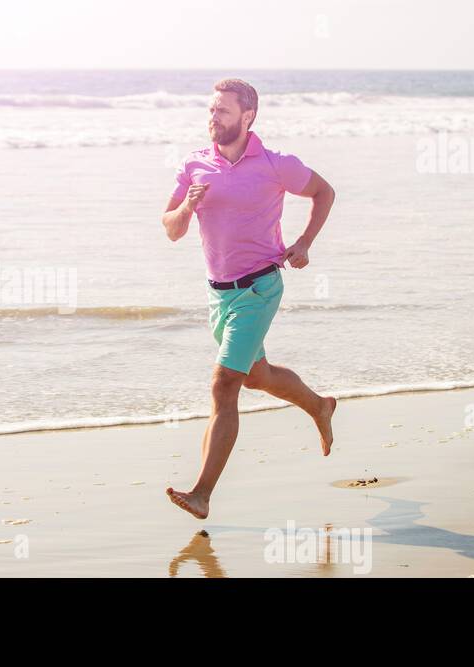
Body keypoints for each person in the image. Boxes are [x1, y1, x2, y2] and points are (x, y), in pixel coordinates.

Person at [161, 78, 338, 520]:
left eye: (222, 110)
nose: (213, 118)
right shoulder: (195, 165)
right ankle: (319, 405)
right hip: (217, 294)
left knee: (224, 385)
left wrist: (304, 243)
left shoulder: (276, 164)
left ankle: (201, 494)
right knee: (256, 375)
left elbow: (324, 192)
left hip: (259, 287)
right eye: (211, 110)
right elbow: (171, 228)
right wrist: (187, 207)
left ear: (248, 116)